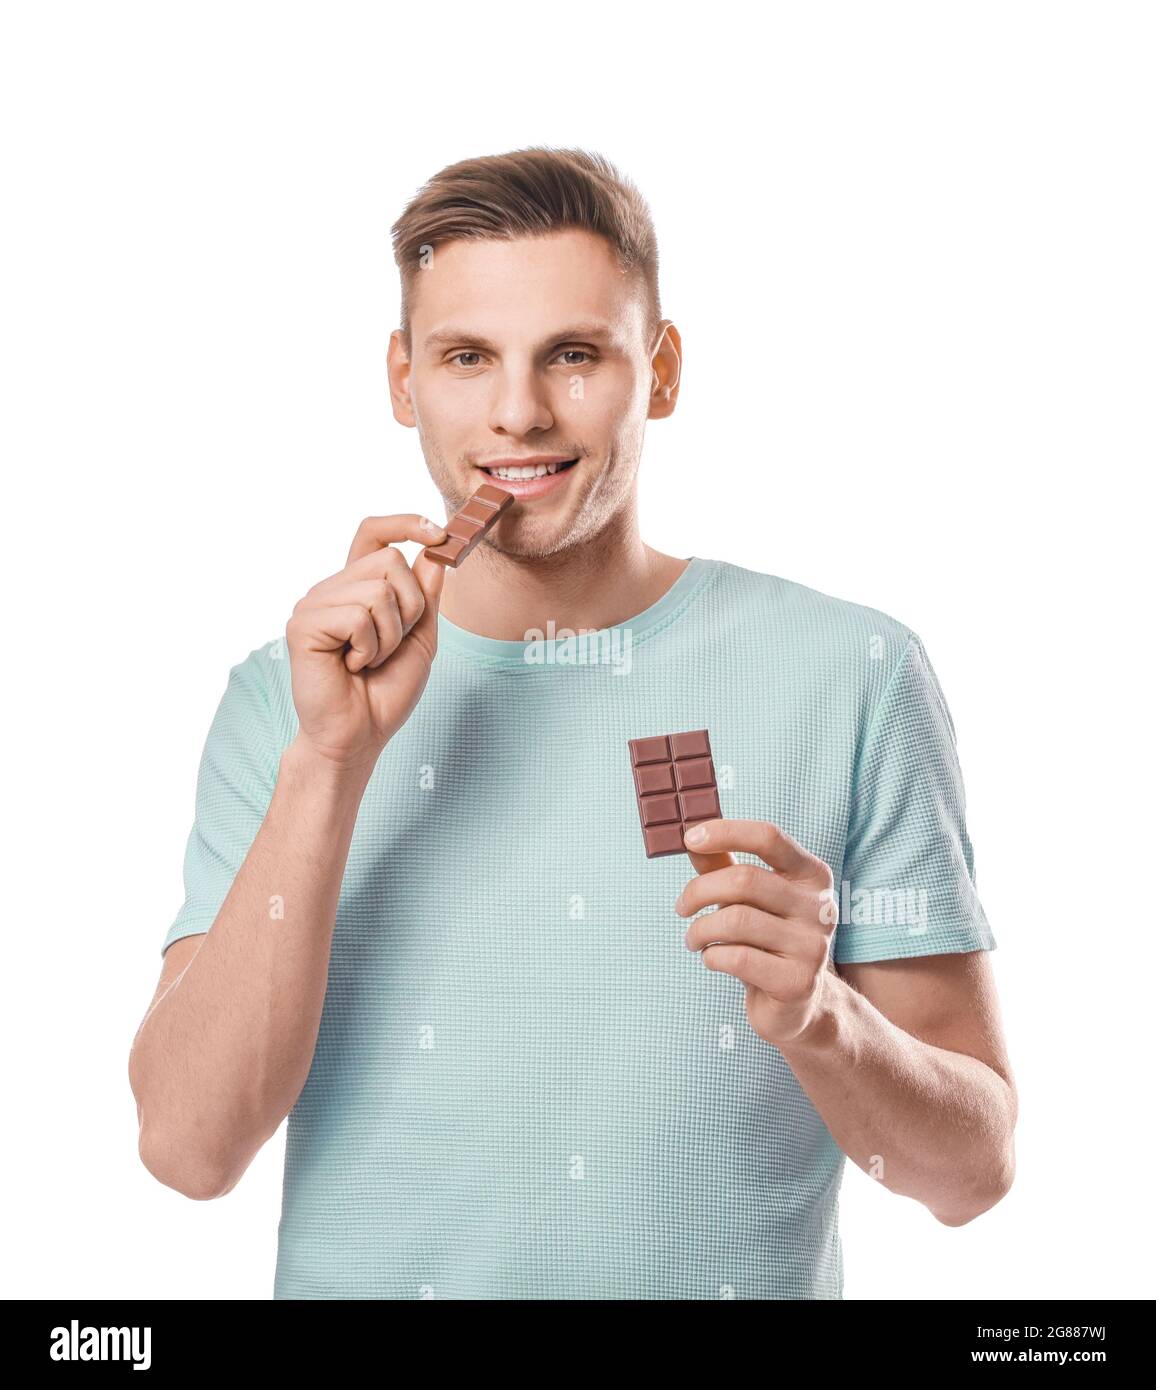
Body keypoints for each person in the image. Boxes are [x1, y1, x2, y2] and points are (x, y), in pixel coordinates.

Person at [128, 146, 1016, 1300]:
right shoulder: (285, 699)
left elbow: (971, 1173)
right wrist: (330, 761)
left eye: (573, 355)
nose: (517, 414)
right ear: (403, 380)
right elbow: (188, 1153)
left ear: (661, 369)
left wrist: (822, 1017)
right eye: (465, 358)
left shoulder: (851, 674)